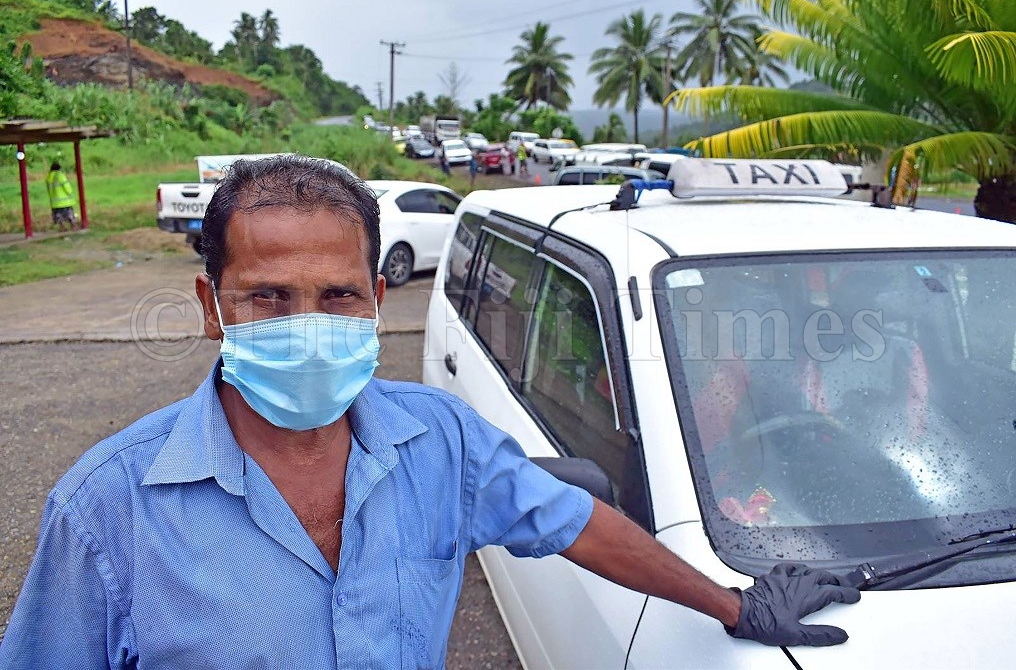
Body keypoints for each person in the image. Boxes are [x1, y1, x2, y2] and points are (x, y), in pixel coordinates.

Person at [0, 156, 859, 669]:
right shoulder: (106, 511)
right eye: (268, 297)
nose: (308, 326)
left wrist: (733, 605)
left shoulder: (441, 442)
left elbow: (578, 523)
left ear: (378, 301)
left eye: (338, 296)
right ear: (210, 306)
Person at [46, 161, 76, 230]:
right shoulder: (60, 175)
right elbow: (67, 186)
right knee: (70, 215)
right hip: (65, 201)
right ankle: (73, 226)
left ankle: (62, 228)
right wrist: (71, 194)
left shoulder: (48, 177)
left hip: (55, 203)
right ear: (59, 168)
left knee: (59, 217)